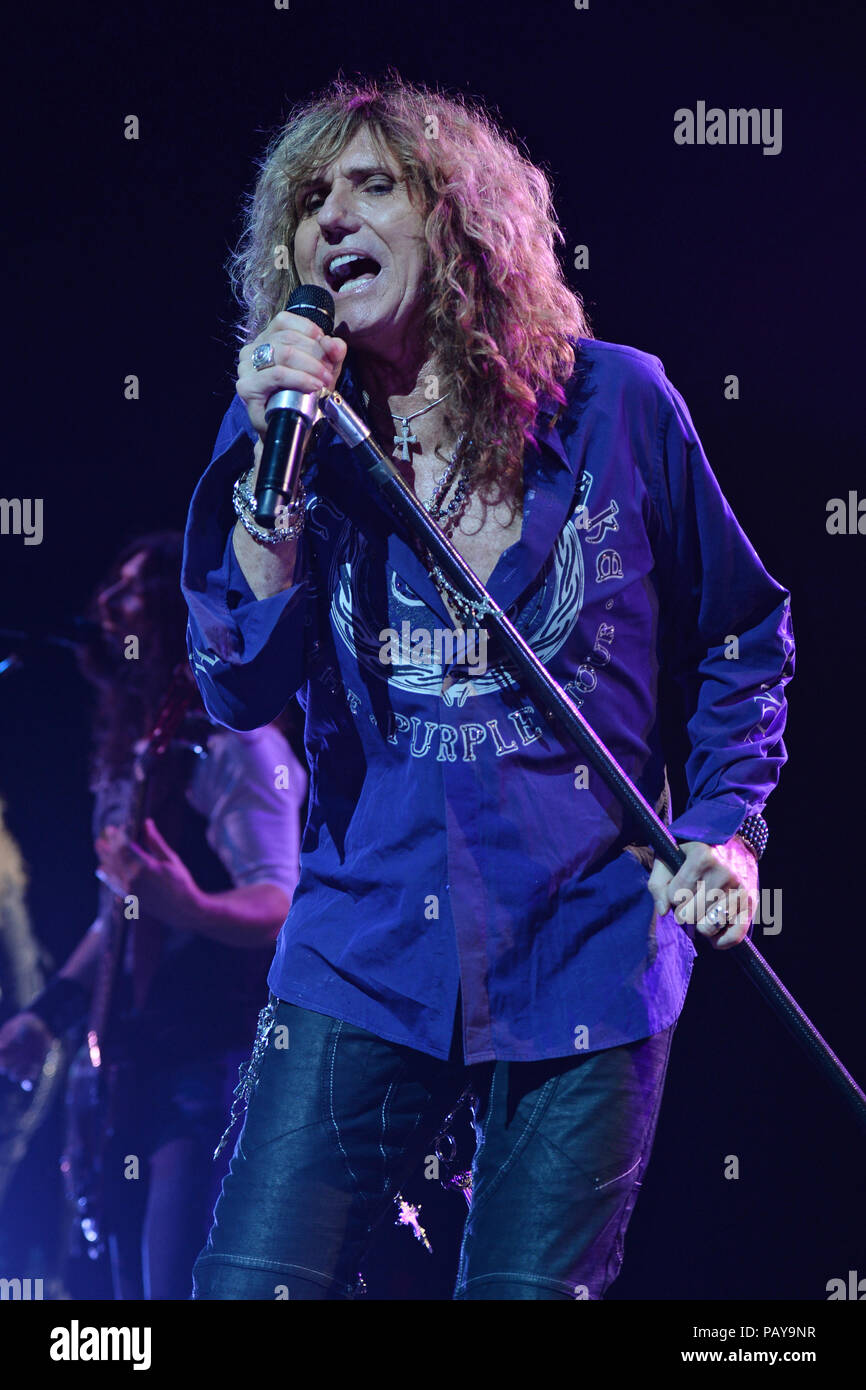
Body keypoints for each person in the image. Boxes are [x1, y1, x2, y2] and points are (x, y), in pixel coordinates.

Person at [181, 75, 795, 1301]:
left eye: (372, 187)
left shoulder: (620, 405)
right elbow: (238, 686)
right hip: (360, 953)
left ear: (460, 222)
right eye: (308, 200)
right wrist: (273, 477)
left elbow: (741, 638)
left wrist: (721, 833)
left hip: (584, 950)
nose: (331, 220)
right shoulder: (283, 432)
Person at [0, 533, 307, 1299]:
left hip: (214, 1056)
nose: (108, 606)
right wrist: (47, 1016)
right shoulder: (135, 755)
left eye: (134, 591)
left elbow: (282, 901)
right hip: (136, 1068)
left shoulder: (237, 747)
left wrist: (193, 905)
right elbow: (121, 918)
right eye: (111, 586)